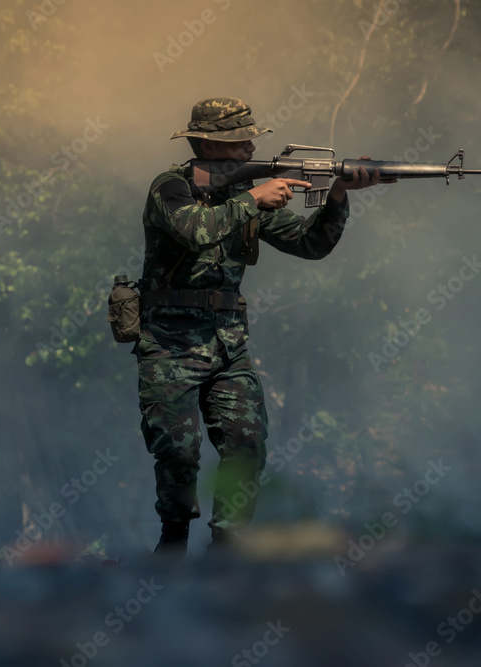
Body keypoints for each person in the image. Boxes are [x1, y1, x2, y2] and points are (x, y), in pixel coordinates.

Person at [138, 97, 388, 555]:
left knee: (247, 443)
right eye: (241, 141)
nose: (252, 147)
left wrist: (338, 195)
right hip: (168, 342)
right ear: (211, 144)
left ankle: (227, 547)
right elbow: (196, 230)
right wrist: (254, 198)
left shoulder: (244, 197)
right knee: (178, 450)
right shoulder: (170, 187)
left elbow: (310, 245)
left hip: (227, 345)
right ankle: (172, 540)